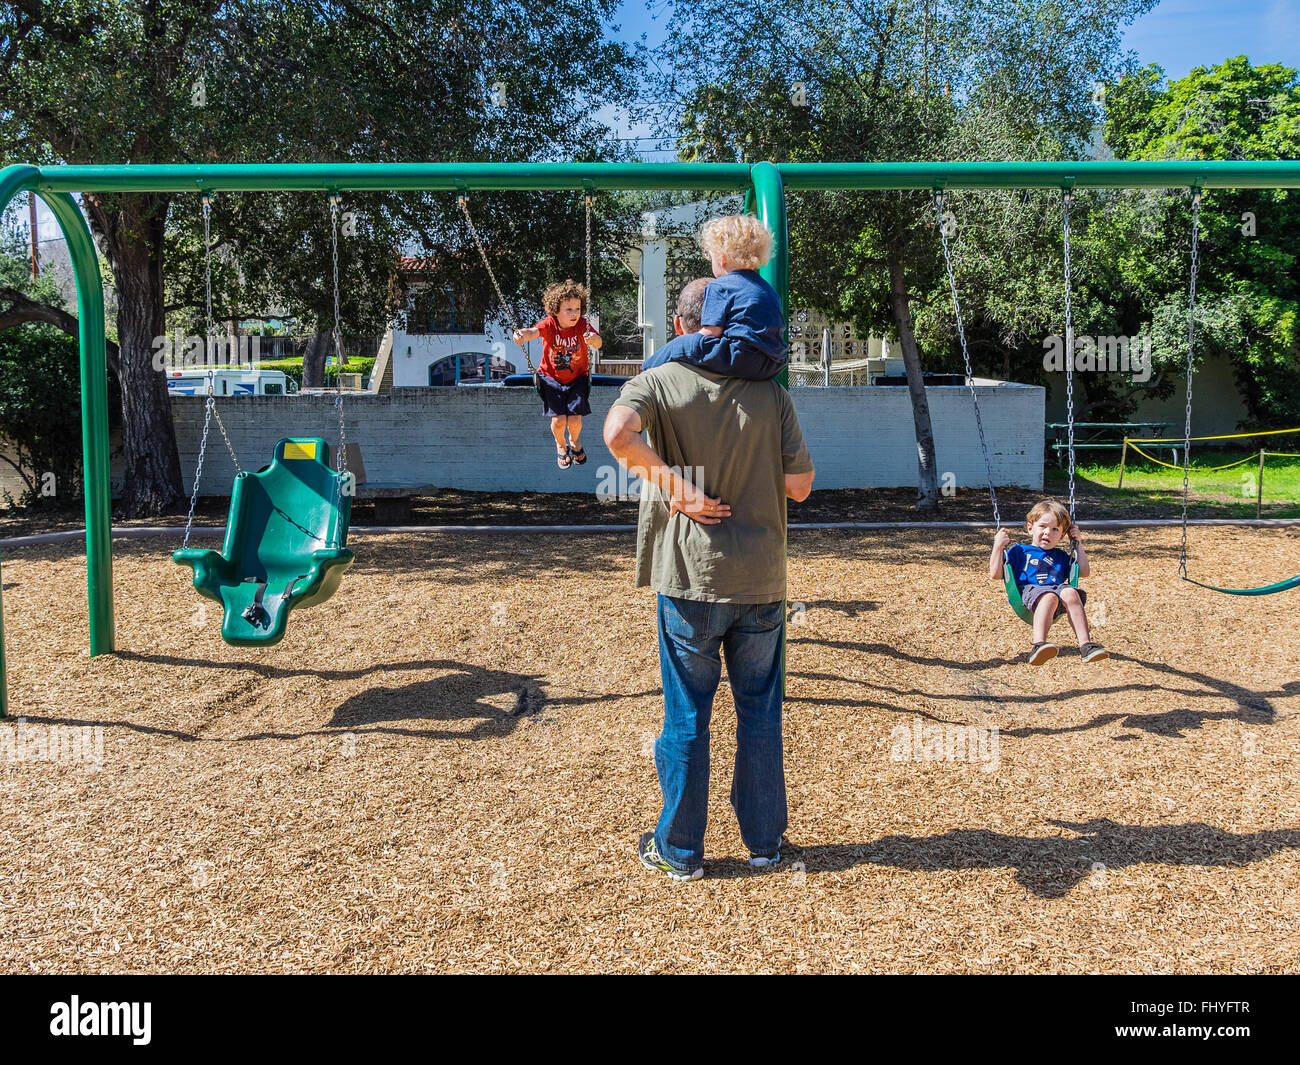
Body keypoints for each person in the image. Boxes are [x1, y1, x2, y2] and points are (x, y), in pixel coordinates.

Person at [603, 283, 815, 882]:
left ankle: (680, 850)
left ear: (681, 323)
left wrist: (680, 489)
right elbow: (801, 485)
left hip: (692, 577)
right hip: (761, 579)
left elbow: (617, 434)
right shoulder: (771, 393)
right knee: (760, 712)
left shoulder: (659, 380)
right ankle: (766, 844)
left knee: (688, 714)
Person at [641, 214, 785, 381]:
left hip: (741, 358)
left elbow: (711, 333)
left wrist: (692, 344)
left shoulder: (720, 286)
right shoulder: (767, 288)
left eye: (710, 256)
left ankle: (645, 371)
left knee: (683, 344)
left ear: (722, 257)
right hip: (774, 362)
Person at [991, 498, 1108, 665]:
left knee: (1071, 592)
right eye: (1043, 527)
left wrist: (1078, 544)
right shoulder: (1019, 551)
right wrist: (997, 546)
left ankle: (1086, 646)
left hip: (1058, 592)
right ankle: (1039, 645)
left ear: (1061, 535)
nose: (1048, 533)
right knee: (1049, 596)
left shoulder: (1060, 556)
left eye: (1055, 529)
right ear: (1030, 528)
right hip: (1032, 592)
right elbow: (995, 574)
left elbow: (1084, 572)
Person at [513, 279, 602, 468]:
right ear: (555, 311)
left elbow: (599, 343)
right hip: (550, 379)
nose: (574, 314)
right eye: (568, 310)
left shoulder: (583, 325)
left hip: (578, 378)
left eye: (577, 309)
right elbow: (533, 332)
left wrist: (593, 339)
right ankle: (561, 445)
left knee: (575, 419)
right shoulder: (550, 324)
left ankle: (575, 442)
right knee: (559, 420)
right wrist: (521, 334)